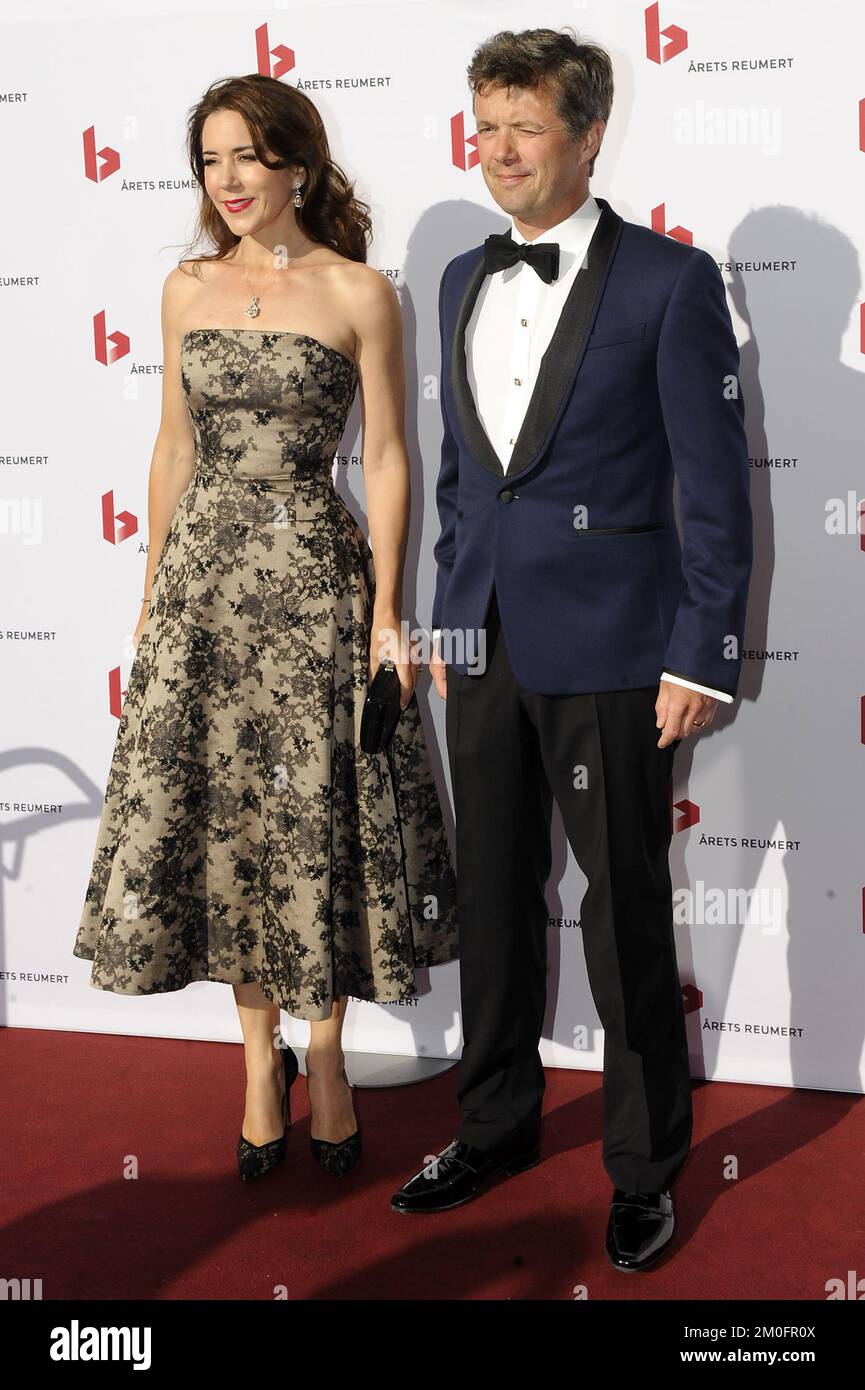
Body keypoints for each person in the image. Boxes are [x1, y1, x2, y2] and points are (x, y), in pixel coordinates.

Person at [390, 28, 752, 1271]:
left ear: (588, 134)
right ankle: (491, 1123)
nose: (495, 152)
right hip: (482, 639)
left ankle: (645, 1164)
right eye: (482, 127)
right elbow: (459, 478)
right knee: (489, 898)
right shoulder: (454, 277)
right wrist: (447, 612)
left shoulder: (667, 280)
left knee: (624, 912)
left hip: (613, 646)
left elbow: (714, 490)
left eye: (523, 128)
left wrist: (701, 653)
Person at [74, 73, 458, 1182]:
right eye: (210, 158)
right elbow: (173, 449)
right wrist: (152, 592)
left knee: (317, 819)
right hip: (203, 588)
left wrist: (388, 614)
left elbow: (386, 459)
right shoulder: (186, 287)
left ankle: (326, 1054)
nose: (228, 179)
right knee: (229, 820)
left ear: (297, 161)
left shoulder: (356, 292)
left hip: (314, 586)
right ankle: (257, 1061)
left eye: (248, 155)